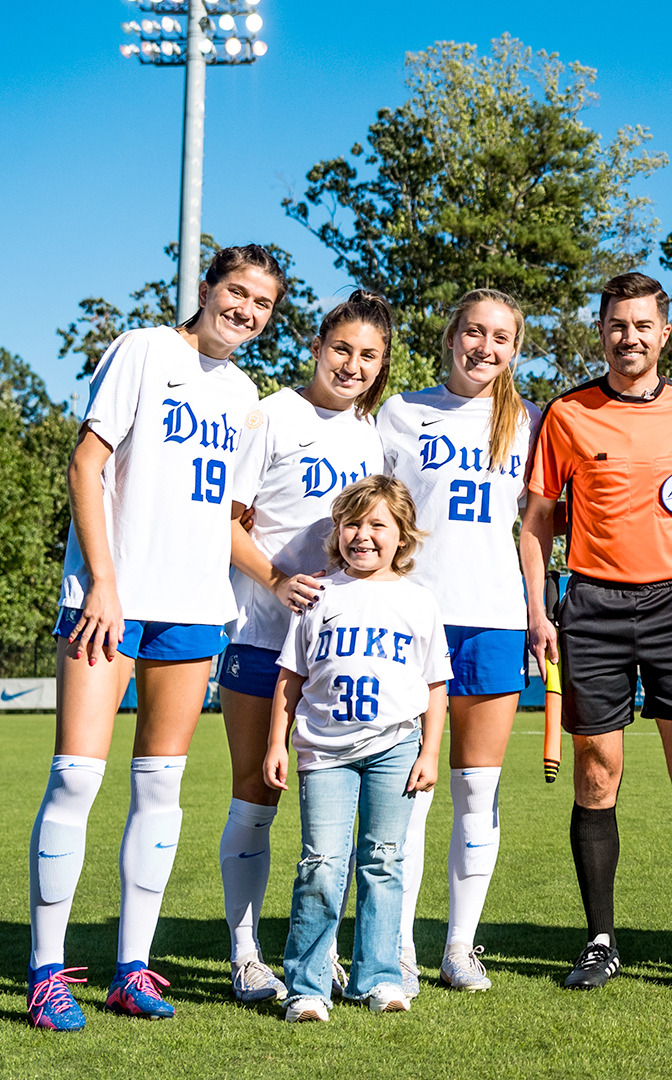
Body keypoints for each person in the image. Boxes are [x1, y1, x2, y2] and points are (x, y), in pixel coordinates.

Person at [26, 245, 280, 1030]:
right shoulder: (144, 348)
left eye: (261, 304)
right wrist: (103, 582)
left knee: (160, 788)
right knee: (76, 776)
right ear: (206, 290)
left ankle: (131, 968)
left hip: (194, 607)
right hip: (112, 602)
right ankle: (44, 971)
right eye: (235, 292)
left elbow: (229, 517)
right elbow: (86, 464)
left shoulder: (244, 395)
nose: (244, 310)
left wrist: (274, 579)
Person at [520, 273, 672, 992]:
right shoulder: (568, 414)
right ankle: (600, 940)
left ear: (664, 333)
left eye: (643, 325)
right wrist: (538, 609)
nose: (629, 337)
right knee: (595, 774)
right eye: (617, 324)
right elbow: (535, 522)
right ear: (602, 330)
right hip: (594, 609)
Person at [218, 289, 391, 1005]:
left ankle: (317, 950)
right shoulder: (271, 414)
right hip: (261, 634)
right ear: (319, 346)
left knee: (329, 808)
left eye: (369, 356)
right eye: (343, 348)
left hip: (339, 652)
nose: (353, 365)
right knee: (258, 790)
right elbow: (222, 522)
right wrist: (276, 577)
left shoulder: (369, 435)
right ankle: (245, 954)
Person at [377, 288, 540, 993]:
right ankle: (399, 946)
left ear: (515, 348)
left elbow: (535, 528)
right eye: (474, 331)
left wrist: (540, 612)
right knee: (410, 792)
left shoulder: (530, 420)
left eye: (500, 337)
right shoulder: (402, 411)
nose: (485, 346)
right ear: (451, 336)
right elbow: (372, 515)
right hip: (415, 619)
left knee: (478, 789)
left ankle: (460, 947)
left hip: (496, 618)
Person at [264, 475, 449, 1022]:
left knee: (384, 862)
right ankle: (308, 984)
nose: (362, 536)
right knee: (322, 864)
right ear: (336, 531)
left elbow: (436, 686)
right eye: (352, 524)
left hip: (395, 746)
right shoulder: (317, 595)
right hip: (324, 751)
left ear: (401, 536)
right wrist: (278, 741)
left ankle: (378, 977)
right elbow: (290, 678)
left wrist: (430, 752)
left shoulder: (418, 601)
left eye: (377, 526)